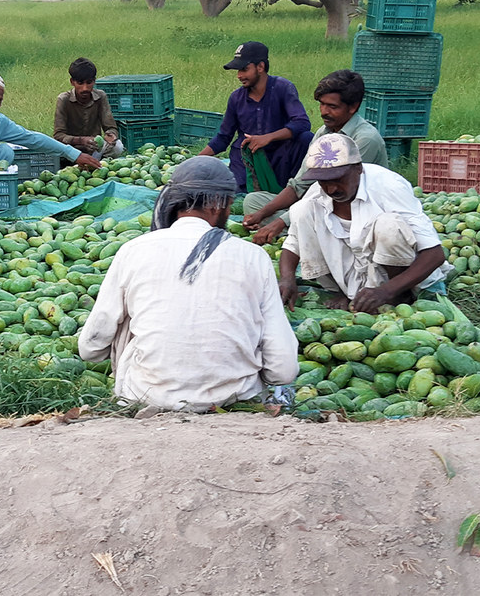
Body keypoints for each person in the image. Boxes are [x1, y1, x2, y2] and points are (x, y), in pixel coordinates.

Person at [79, 157, 299, 412]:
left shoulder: (134, 250)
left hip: (147, 397)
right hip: (233, 402)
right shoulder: (253, 257)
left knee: (129, 314)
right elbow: (284, 368)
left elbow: (90, 348)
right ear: (219, 205)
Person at [278, 133, 453, 315]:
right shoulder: (317, 195)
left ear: (358, 169)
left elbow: (434, 254)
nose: (331, 189)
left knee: (388, 226)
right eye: (324, 182)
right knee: (301, 210)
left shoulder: (389, 187)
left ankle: (401, 296)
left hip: (398, 279)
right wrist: (287, 278)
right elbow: (293, 243)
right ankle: (346, 294)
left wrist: (387, 291)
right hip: (350, 278)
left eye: (338, 179)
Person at [243, 69, 388, 245]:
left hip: (350, 208)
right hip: (316, 203)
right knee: (253, 201)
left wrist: (280, 222)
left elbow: (332, 196)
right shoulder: (323, 133)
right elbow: (300, 184)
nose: (324, 112)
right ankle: (299, 232)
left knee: (314, 217)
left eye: (332, 107)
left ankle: (298, 234)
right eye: (322, 104)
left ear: (353, 107)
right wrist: (262, 214)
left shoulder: (365, 140)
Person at [199, 41, 312, 193]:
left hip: (280, 157)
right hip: (248, 160)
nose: (239, 76)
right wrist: (195, 161)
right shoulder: (236, 98)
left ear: (260, 67)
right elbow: (223, 137)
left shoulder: (283, 88)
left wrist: (268, 137)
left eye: (244, 69)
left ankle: (293, 188)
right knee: (237, 196)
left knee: (306, 138)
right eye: (238, 71)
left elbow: (302, 123)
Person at [53, 57, 123, 159]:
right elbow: (58, 136)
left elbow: (110, 127)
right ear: (72, 82)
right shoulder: (64, 99)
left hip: (94, 149)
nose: (85, 88)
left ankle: (97, 163)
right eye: (80, 83)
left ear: (94, 81)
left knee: (118, 147)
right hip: (71, 149)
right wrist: (81, 140)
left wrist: (111, 135)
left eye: (89, 82)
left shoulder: (100, 97)